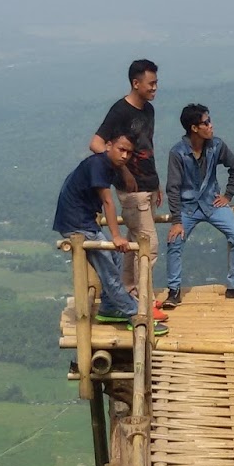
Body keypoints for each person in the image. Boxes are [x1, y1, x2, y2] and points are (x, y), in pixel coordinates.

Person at [53, 132, 168, 333]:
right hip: (76, 223)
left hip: (84, 220)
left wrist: (128, 173)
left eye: (128, 153)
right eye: (121, 149)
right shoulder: (99, 166)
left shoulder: (109, 166)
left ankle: (108, 307)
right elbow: (108, 201)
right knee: (110, 273)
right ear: (108, 146)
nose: (124, 156)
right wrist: (116, 236)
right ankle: (137, 316)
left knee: (115, 259)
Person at [164, 105, 234, 307]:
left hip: (212, 202)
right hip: (188, 207)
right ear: (194, 128)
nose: (211, 125)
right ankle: (174, 291)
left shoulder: (216, 146)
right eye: (206, 122)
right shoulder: (178, 153)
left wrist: (227, 195)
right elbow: (172, 188)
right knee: (174, 242)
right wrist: (176, 220)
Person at [89, 59, 161, 294]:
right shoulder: (120, 111)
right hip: (131, 190)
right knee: (148, 246)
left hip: (148, 186)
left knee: (135, 242)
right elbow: (97, 143)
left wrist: (156, 183)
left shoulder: (148, 110)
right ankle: (145, 301)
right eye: (150, 84)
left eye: (156, 83)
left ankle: (129, 290)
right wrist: (122, 169)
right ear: (135, 83)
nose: (154, 88)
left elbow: (147, 147)